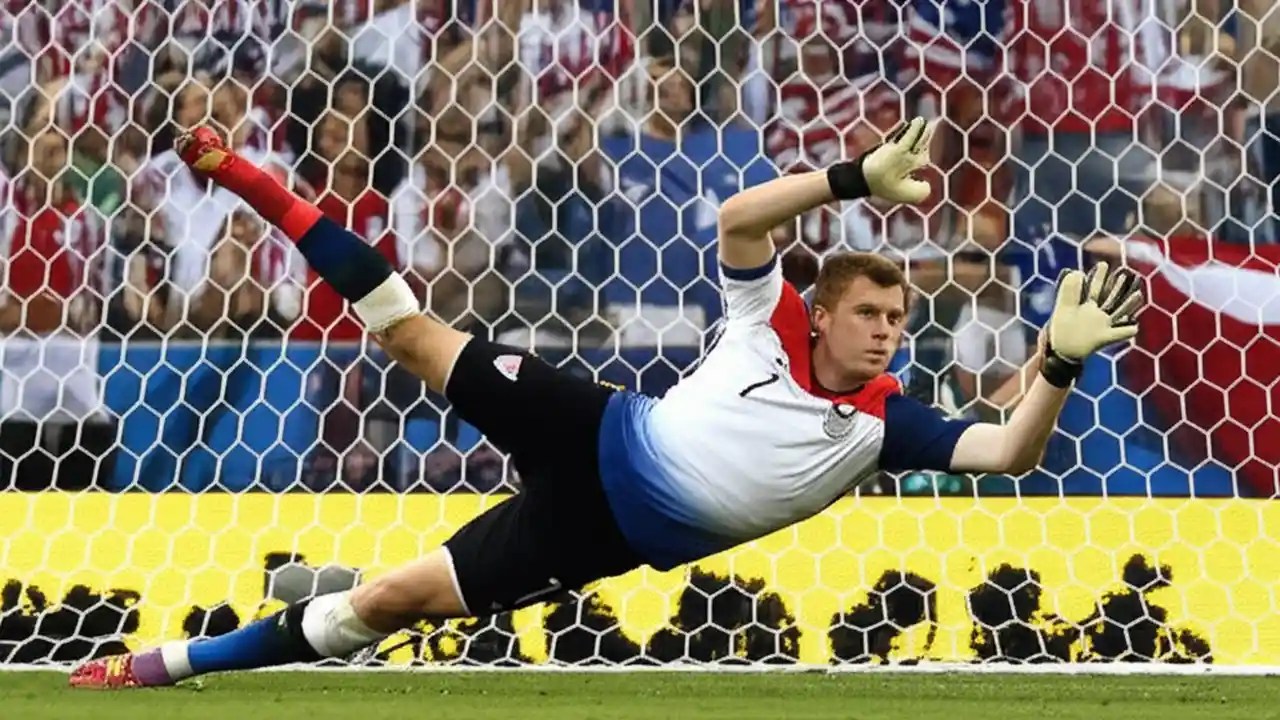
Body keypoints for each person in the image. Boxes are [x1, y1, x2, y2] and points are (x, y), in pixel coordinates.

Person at [68, 118, 1144, 688]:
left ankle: (172, 666)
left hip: (603, 531)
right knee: (405, 331)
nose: (885, 332)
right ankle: (250, 181)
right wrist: (851, 177)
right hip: (594, 422)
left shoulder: (884, 422)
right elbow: (739, 220)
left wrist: (1055, 362)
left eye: (896, 320)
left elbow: (1007, 452)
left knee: (389, 603)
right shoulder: (767, 317)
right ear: (821, 314)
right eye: (867, 313)